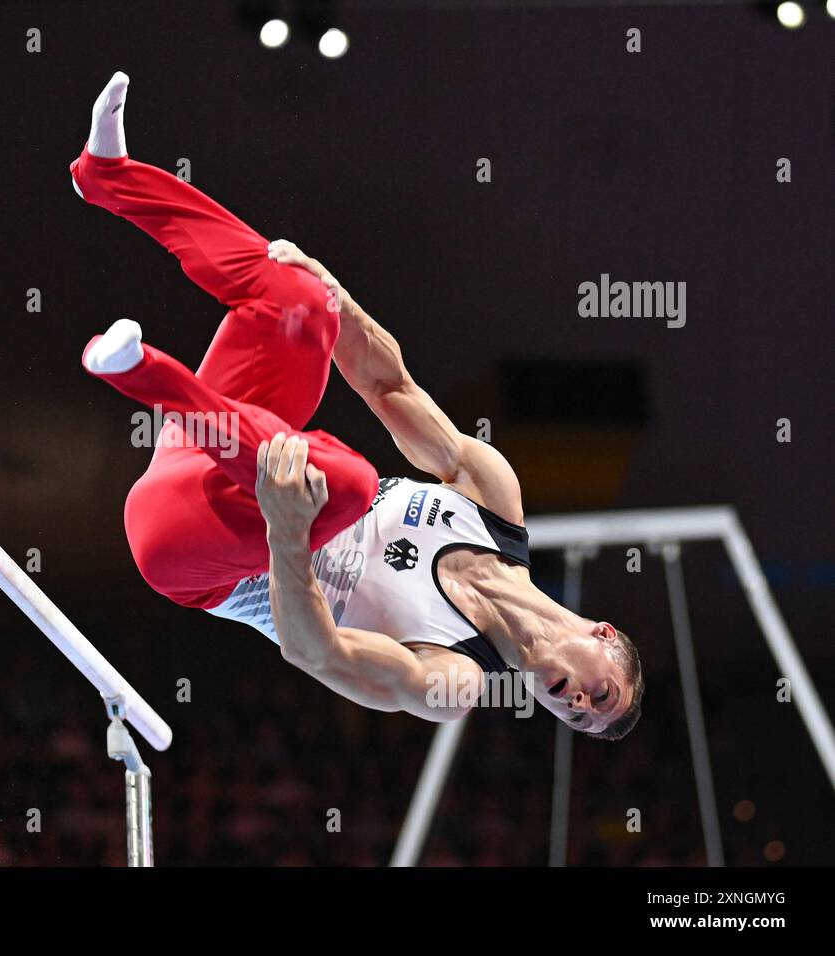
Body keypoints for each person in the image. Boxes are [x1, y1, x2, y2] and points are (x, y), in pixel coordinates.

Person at [72, 73, 642, 739]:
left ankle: (146, 375)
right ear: (603, 636)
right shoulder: (493, 498)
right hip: (217, 445)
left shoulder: (455, 678)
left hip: (193, 546)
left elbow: (317, 652)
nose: (576, 704)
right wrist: (338, 296)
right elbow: (388, 387)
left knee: (345, 486)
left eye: (577, 718)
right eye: (601, 695)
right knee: (300, 303)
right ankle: (109, 178)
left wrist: (286, 535)